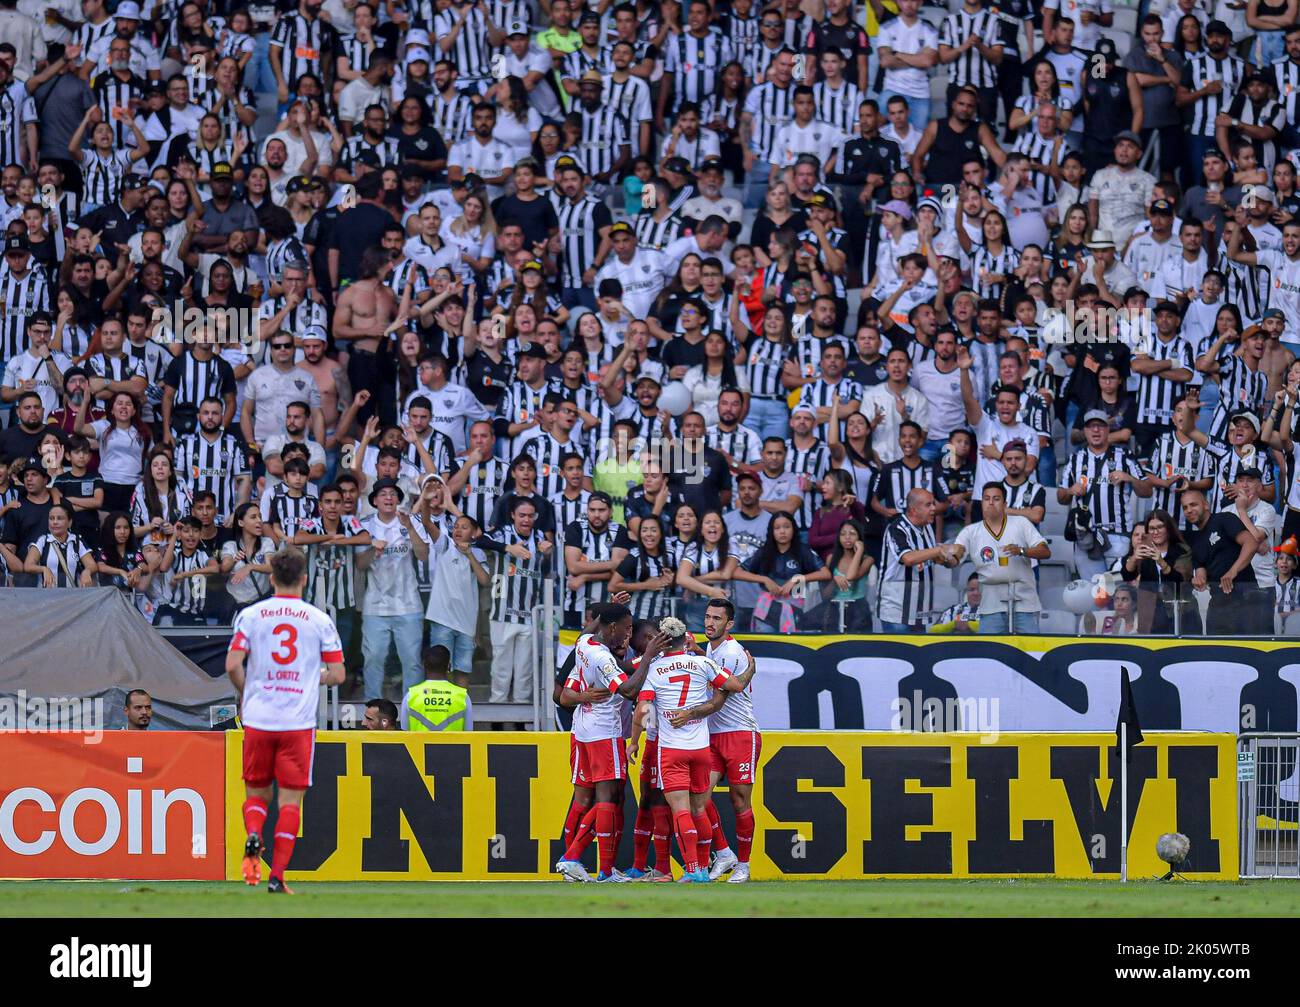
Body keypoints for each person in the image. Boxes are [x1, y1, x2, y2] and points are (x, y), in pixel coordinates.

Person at [226, 547, 346, 894]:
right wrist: (313, 676)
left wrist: (249, 693)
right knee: (290, 803)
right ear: (304, 580)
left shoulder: (252, 615)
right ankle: (277, 876)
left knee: (257, 795)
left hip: (259, 719)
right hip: (297, 722)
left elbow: (233, 664)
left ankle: (253, 833)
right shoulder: (318, 619)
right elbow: (338, 674)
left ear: (272, 578)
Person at [628, 614, 753, 883]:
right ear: (685, 638)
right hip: (700, 748)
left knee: (681, 811)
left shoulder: (655, 669)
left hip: (671, 748)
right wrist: (750, 669)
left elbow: (642, 710)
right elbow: (735, 685)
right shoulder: (703, 663)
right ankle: (706, 869)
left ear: (662, 640)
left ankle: (695, 869)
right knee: (700, 808)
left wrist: (635, 740)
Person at [554, 602, 640, 883]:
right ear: (612, 627)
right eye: (626, 628)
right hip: (605, 733)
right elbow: (626, 688)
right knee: (608, 799)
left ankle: (573, 865)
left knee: (584, 800)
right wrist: (651, 656)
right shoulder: (602, 657)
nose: (628, 634)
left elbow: (568, 693)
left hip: (582, 731)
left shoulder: (583, 644)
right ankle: (589, 865)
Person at [700, 598, 759, 883]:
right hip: (712, 735)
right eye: (708, 617)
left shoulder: (732, 652)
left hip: (739, 733)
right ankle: (724, 853)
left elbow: (717, 701)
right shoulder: (710, 651)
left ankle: (744, 865)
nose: (710, 623)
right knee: (698, 795)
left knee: (739, 800)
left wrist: (685, 714)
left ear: (729, 624)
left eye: (717, 619)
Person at [947, 481, 1051, 634]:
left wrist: (1021, 551)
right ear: (981, 502)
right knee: (992, 653)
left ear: (1005, 503)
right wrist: (947, 555)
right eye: (986, 498)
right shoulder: (970, 531)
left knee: (1028, 652)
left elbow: (1045, 551)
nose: (990, 503)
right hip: (991, 605)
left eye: (996, 499)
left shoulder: (1021, 523)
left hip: (1024, 603)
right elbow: (956, 556)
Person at [402, 644, 473, 731]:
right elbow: (469, 734)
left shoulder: (411, 696)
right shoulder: (462, 697)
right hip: (452, 745)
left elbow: (404, 734)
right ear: (449, 666)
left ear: (424, 666)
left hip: (418, 745)